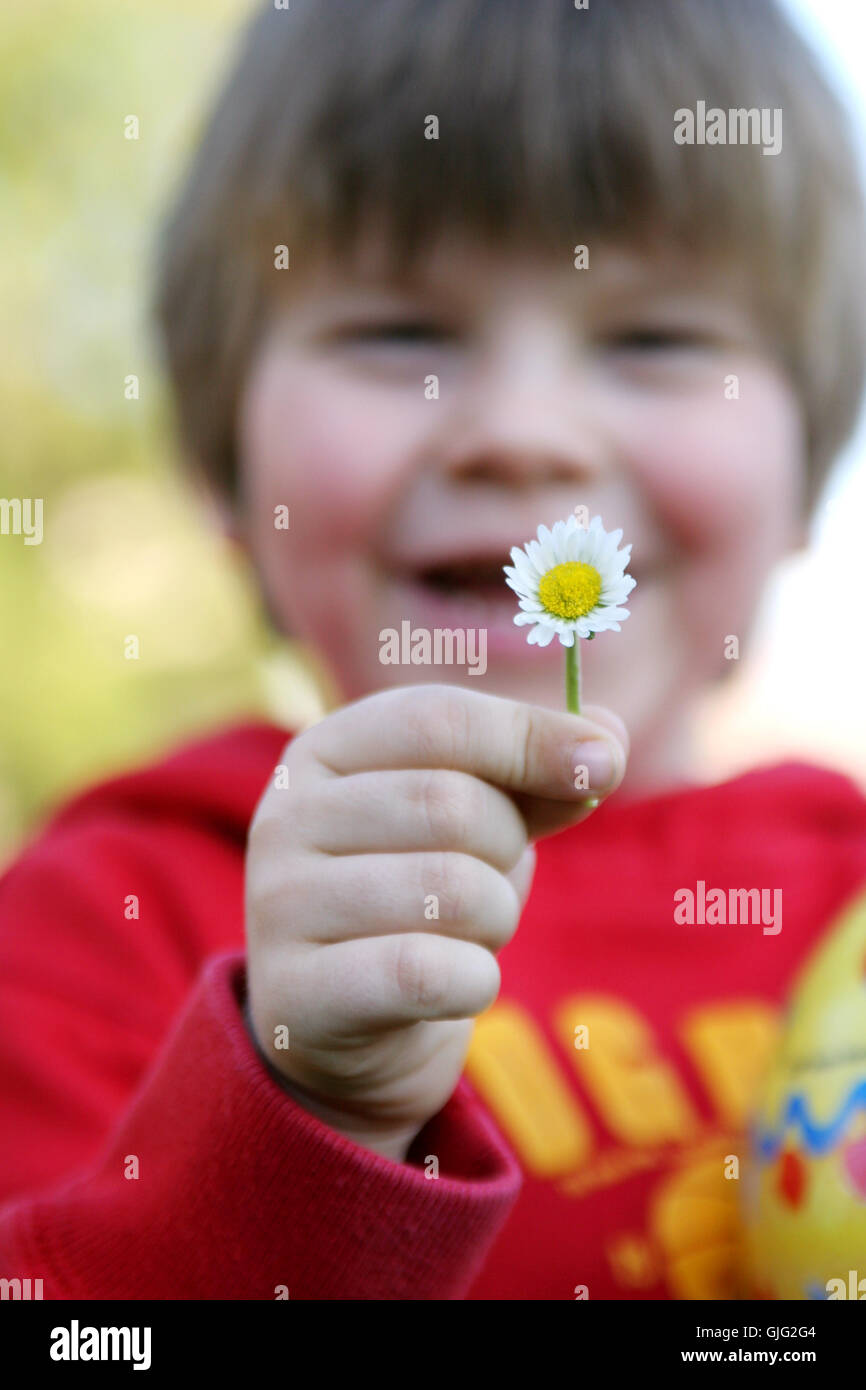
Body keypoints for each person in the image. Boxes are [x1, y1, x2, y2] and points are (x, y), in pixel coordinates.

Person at [2, 0, 865, 1300]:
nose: (522, 432)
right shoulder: (103, 925)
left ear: (806, 472)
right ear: (220, 464)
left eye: (656, 340)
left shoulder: (846, 901)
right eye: (398, 335)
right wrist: (305, 1116)